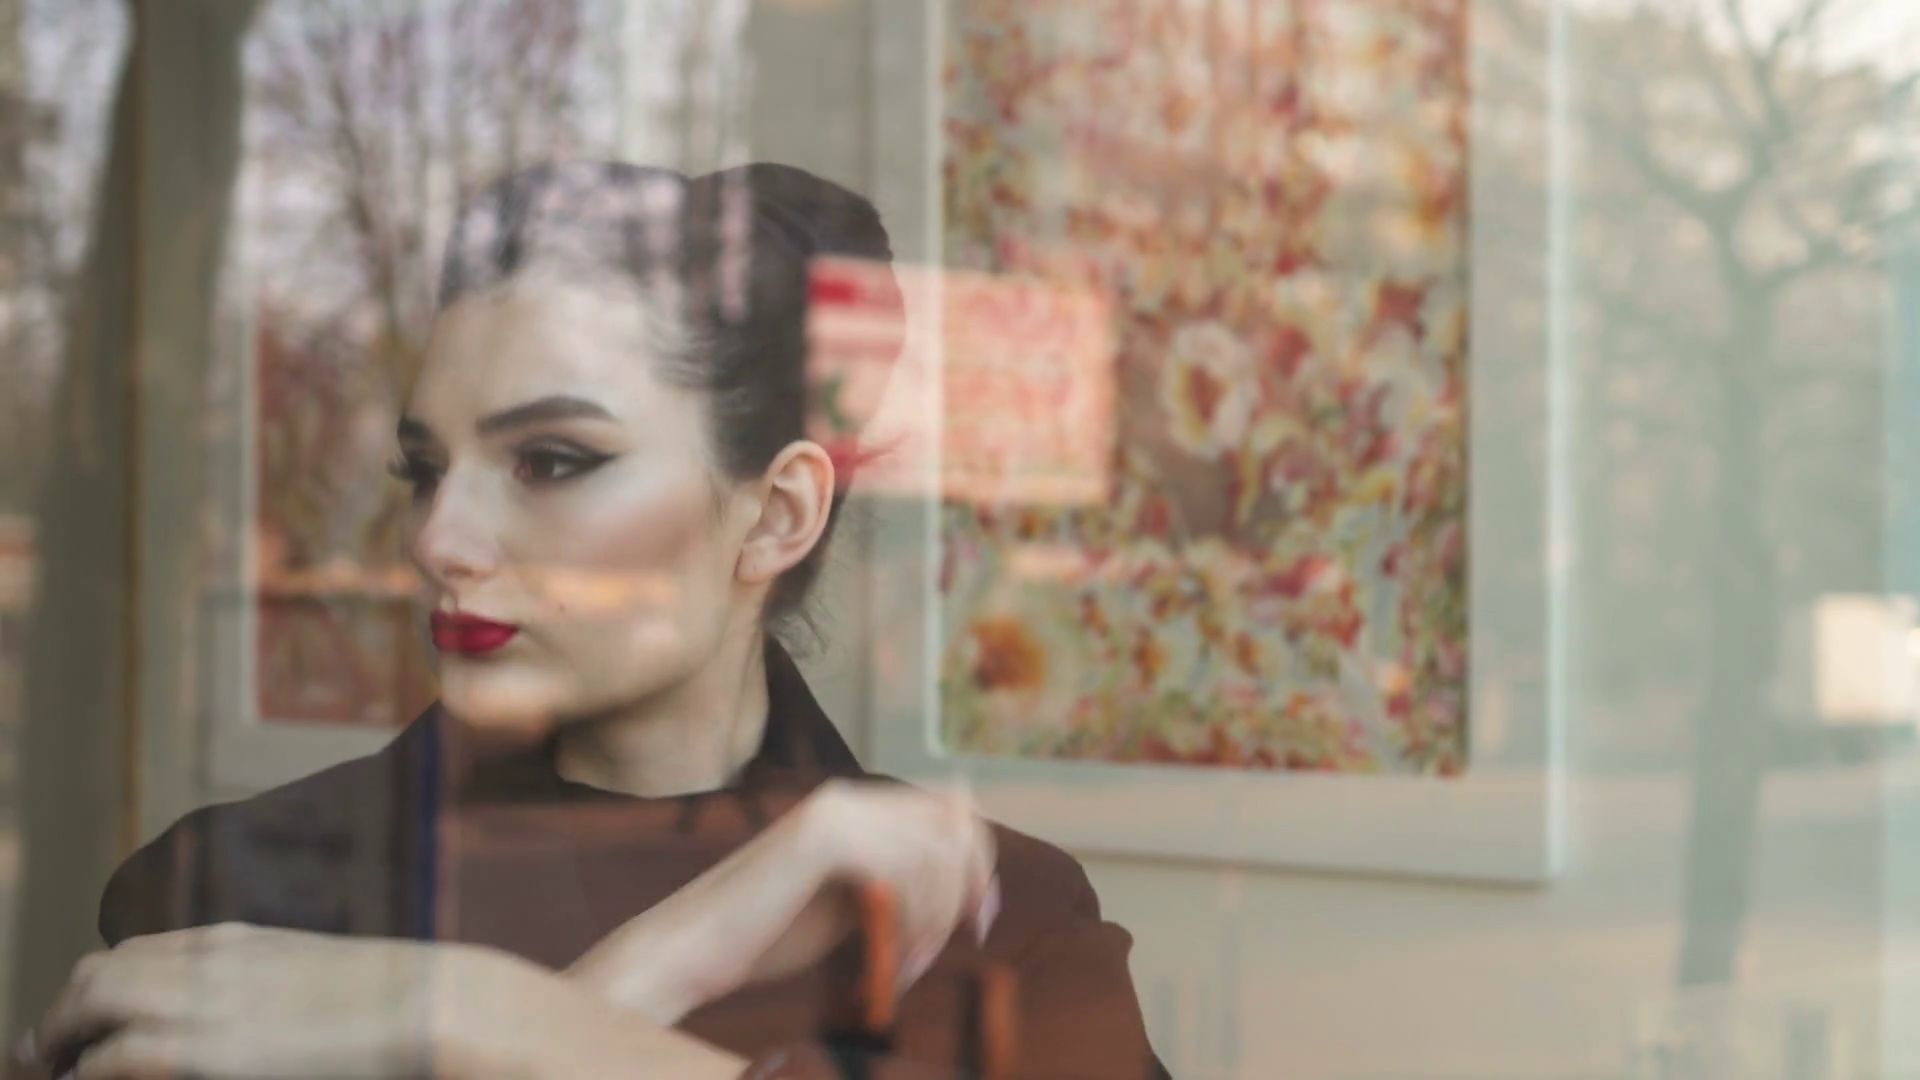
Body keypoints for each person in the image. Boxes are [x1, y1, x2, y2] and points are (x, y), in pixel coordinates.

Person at [20, 161, 1169, 1079]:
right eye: (425, 468)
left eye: (553, 461)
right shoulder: (239, 889)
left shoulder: (997, 919)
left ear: (775, 516)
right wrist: (635, 970)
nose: (436, 540)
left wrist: (496, 1026)